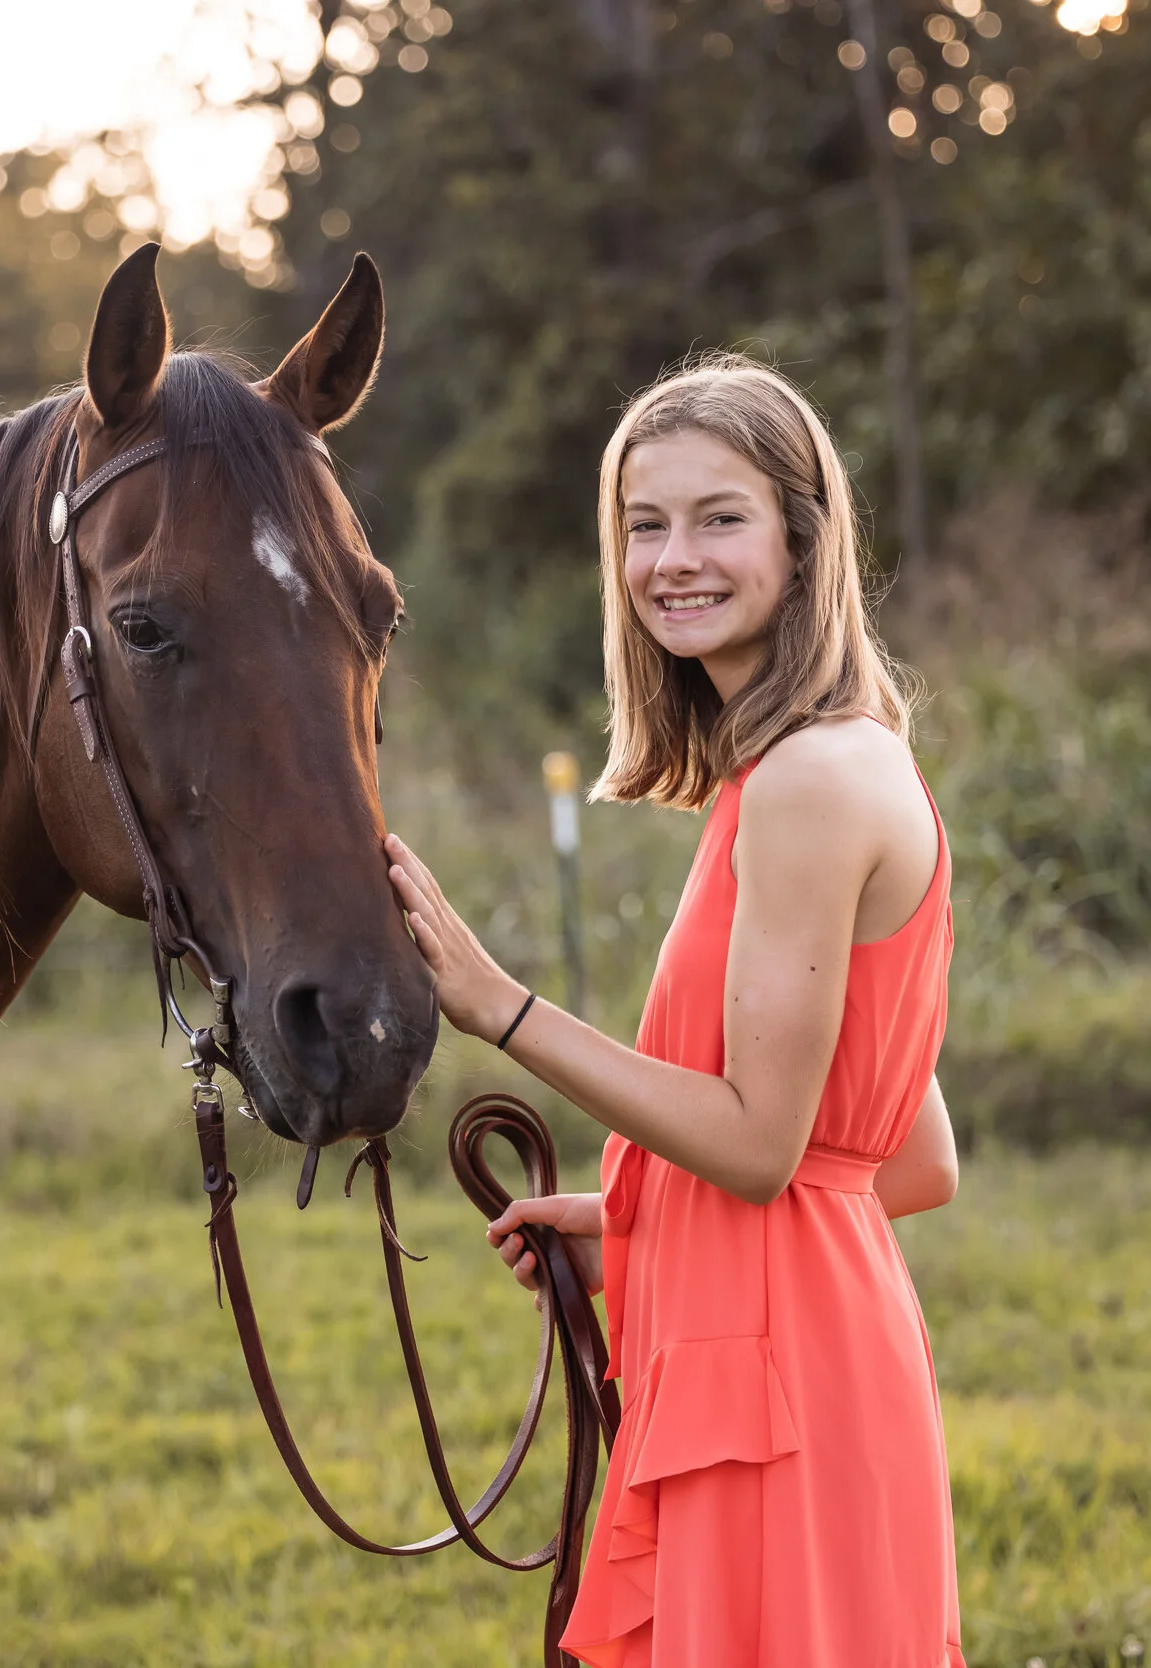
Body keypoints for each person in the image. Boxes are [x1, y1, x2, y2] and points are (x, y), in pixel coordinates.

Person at [385, 353, 966, 1668]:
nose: (673, 560)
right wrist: (634, 1222)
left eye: (721, 518)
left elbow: (763, 1145)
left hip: (783, 1400)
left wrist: (499, 1006)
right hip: (809, 1355)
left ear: (804, 542)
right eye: (644, 524)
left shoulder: (811, 786)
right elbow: (903, 1162)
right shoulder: (811, 769)